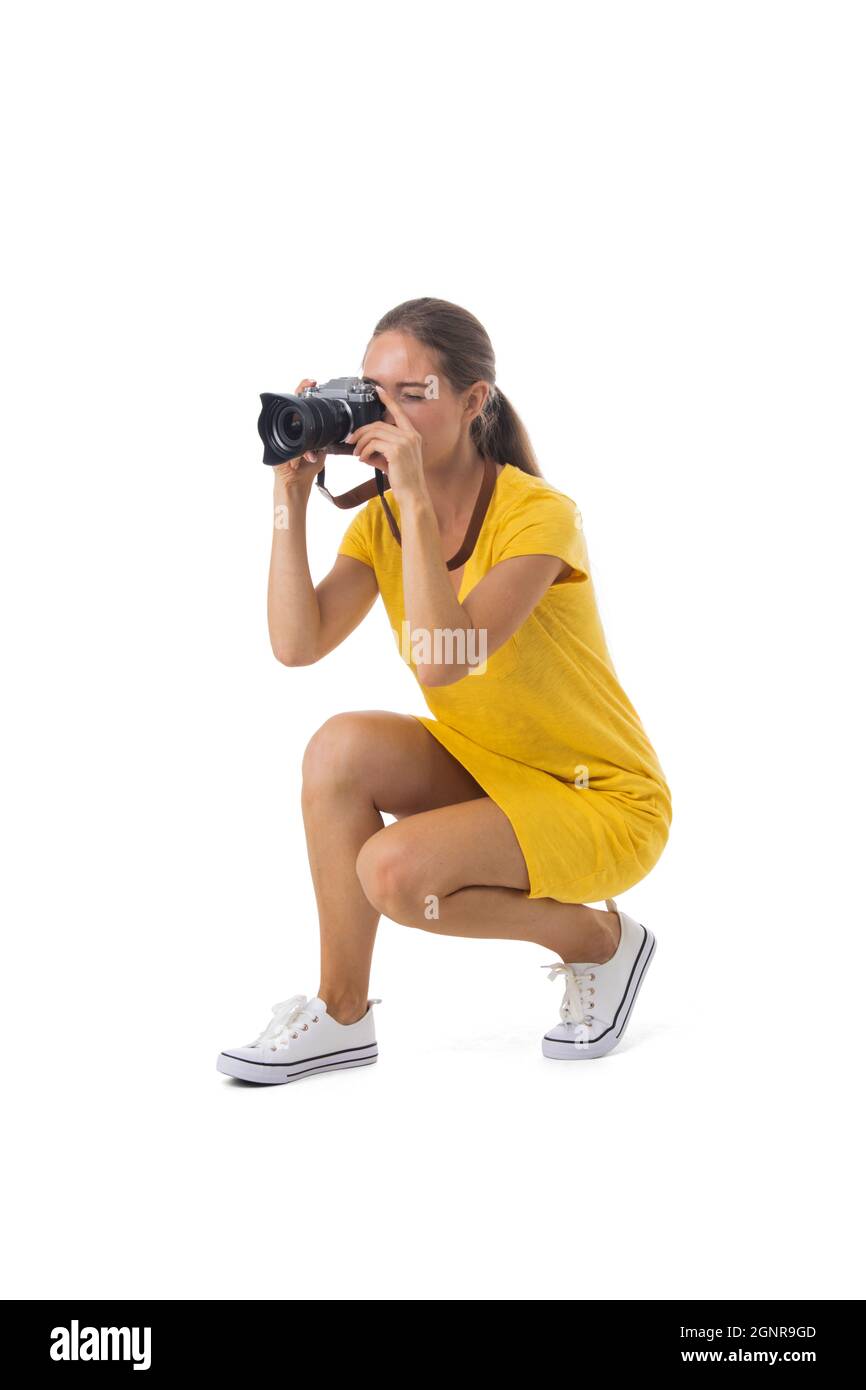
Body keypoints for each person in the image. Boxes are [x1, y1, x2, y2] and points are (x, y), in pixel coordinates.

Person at [217, 297, 672, 1085]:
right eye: (372, 390)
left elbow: (441, 658)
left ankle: (599, 942)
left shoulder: (539, 518)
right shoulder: (383, 521)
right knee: (338, 748)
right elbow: (297, 645)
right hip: (491, 769)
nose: (385, 412)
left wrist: (417, 498)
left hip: (603, 800)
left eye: (413, 393)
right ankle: (341, 1013)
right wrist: (289, 503)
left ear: (474, 401)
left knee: (393, 873)